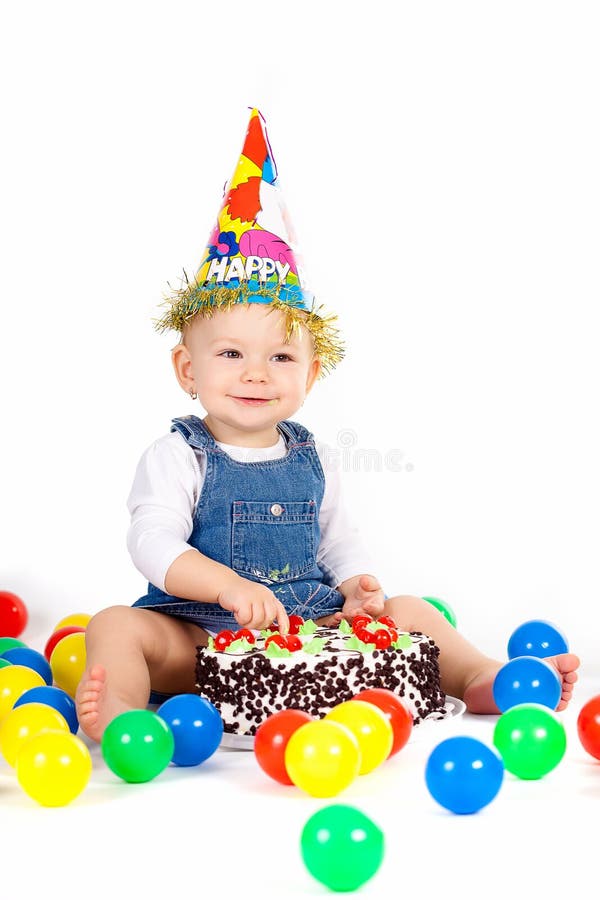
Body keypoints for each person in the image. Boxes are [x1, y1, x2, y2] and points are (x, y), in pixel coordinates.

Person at [75, 110, 579, 741]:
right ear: (187, 369)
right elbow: (151, 541)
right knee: (116, 624)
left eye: (280, 357)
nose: (256, 374)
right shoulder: (180, 455)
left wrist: (357, 585)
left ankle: (478, 675)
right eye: (230, 354)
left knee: (413, 612)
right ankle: (120, 704)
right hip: (201, 638)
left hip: (309, 634)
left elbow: (338, 540)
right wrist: (226, 585)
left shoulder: (313, 456)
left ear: (310, 378)